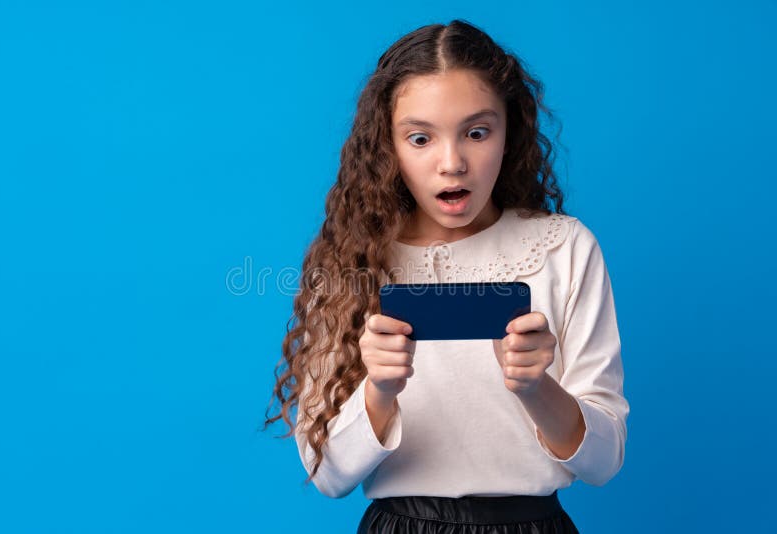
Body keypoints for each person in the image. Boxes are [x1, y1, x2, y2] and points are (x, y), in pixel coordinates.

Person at [263, 19, 629, 534]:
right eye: (420, 138)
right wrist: (379, 391)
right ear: (388, 147)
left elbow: (603, 462)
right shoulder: (353, 258)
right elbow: (327, 475)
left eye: (477, 133)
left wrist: (535, 387)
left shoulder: (566, 249)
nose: (452, 163)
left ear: (509, 133)